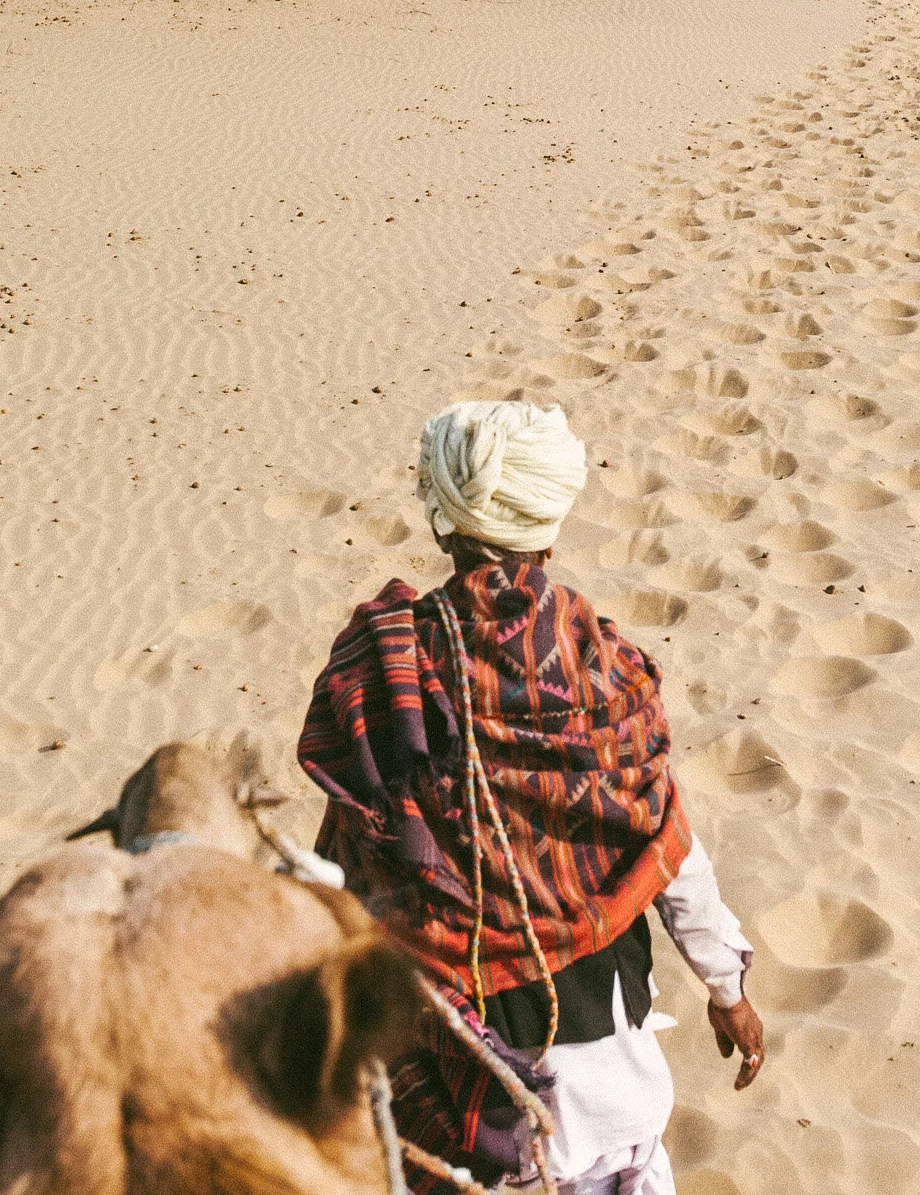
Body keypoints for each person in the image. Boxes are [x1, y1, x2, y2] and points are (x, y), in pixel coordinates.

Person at [298, 400, 766, 1194]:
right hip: (605, 1077)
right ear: (550, 529)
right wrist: (727, 988)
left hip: (451, 1076)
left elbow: (345, 861)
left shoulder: (384, 672)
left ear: (443, 523)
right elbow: (670, 853)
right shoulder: (609, 674)